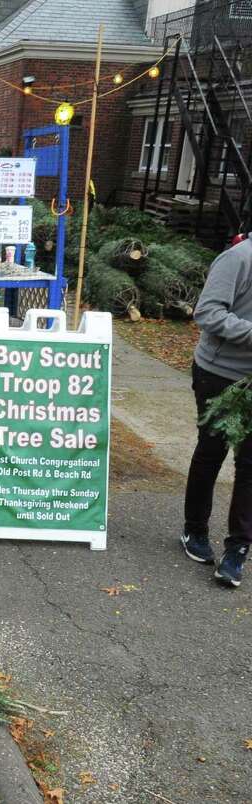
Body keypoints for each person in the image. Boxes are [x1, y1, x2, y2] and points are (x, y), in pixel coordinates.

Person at [181, 236, 252, 587]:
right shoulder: (238, 258)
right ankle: (194, 530)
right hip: (219, 375)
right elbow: (207, 312)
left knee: (250, 464)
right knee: (211, 453)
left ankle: (237, 549)